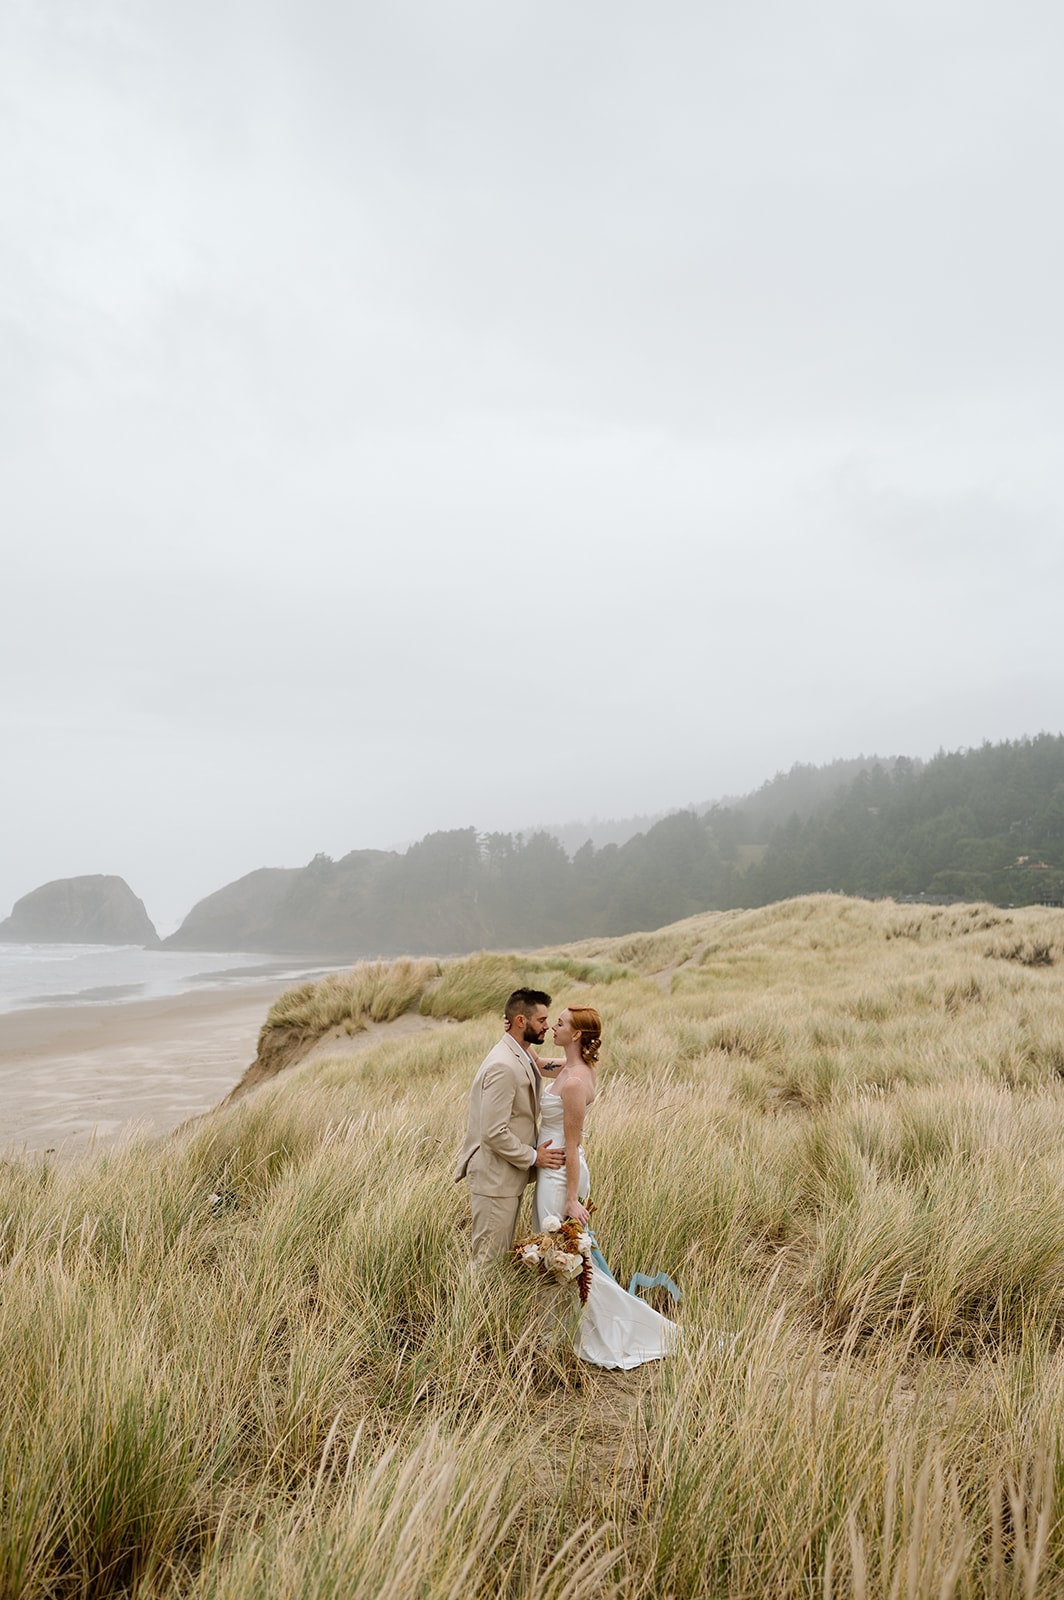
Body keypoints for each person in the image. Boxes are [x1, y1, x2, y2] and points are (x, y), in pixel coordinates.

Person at [533, 1004, 680, 1369]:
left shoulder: (574, 1082)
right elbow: (537, 1064)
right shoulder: (565, 1068)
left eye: (561, 1023)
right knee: (563, 1253)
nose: (554, 1025)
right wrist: (514, 1029)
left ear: (577, 1035)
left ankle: (575, 1329)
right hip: (558, 1170)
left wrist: (570, 1200)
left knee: (561, 1252)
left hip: (560, 1175)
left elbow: (571, 1144)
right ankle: (563, 1325)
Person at [455, 988, 566, 1263]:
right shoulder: (503, 1065)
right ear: (520, 1021)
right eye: (541, 1020)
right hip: (494, 1179)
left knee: (496, 1256)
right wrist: (534, 1157)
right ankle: (473, 1307)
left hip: (505, 1177)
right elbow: (493, 1132)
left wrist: (584, 1057)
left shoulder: (520, 1052)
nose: (547, 1027)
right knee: (487, 1260)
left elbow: (542, 1067)